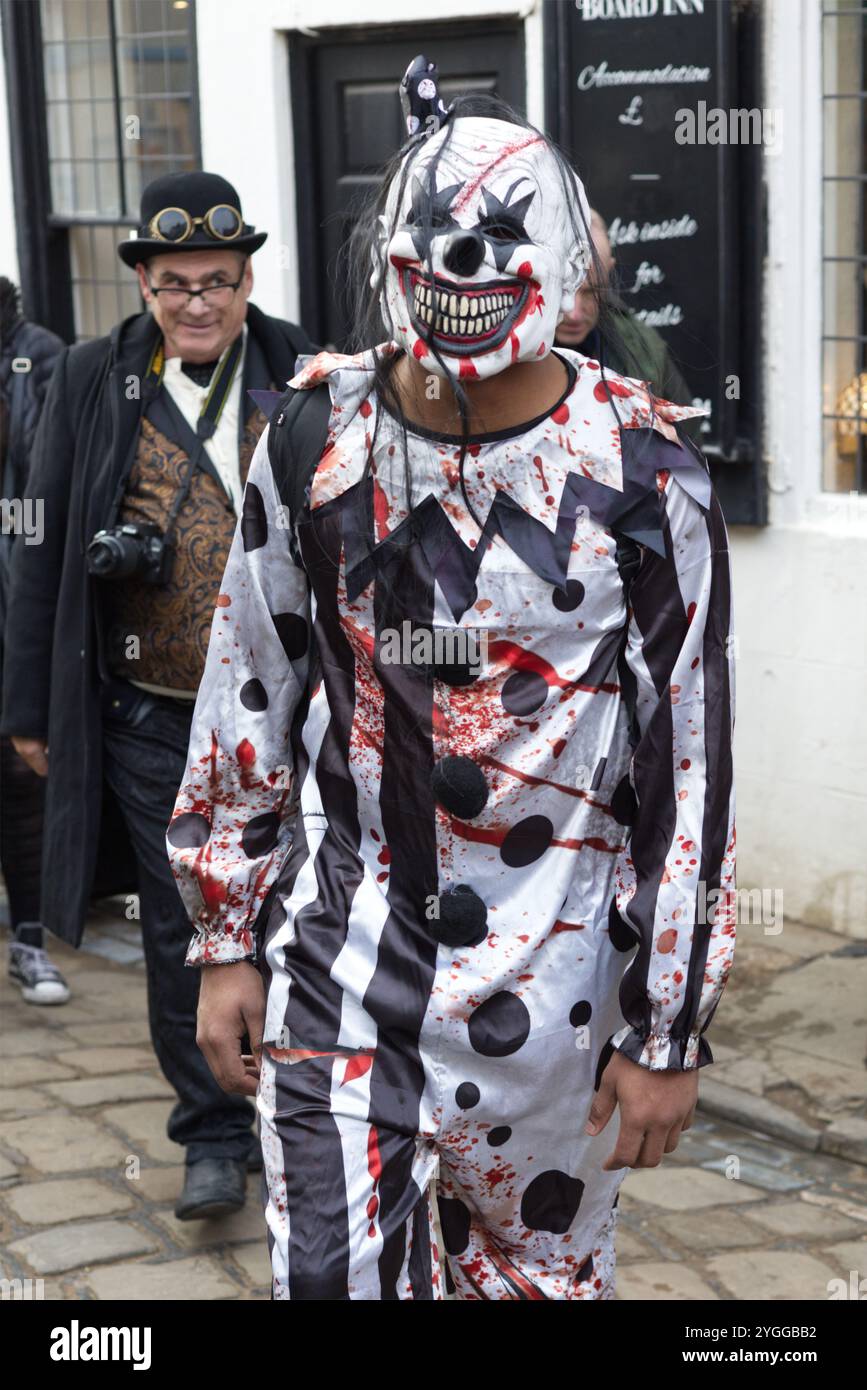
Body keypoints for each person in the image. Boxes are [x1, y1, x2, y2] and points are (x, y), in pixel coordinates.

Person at [168, 74, 736, 1299]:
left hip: (557, 1003)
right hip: (345, 969)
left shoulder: (645, 474)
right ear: (393, 252)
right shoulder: (316, 439)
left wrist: (668, 1024)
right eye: (433, 232)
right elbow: (248, 685)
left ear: (564, 271)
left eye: (499, 236)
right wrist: (225, 937)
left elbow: (687, 768)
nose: (460, 262)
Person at [0, 172, 315, 1220]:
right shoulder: (92, 375)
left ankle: (290, 1115)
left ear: (246, 280)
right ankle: (212, 1135)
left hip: (284, 722)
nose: (196, 302)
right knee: (186, 929)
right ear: (144, 283)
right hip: (148, 714)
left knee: (289, 918)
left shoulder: (299, 368)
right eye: (175, 282)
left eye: (216, 281)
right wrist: (30, 707)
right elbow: (40, 538)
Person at [0, 277, 69, 1004]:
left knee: (21, 775)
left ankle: (29, 940)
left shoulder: (37, 354)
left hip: (15, 589)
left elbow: (46, 477)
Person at [555, 208, 699, 436]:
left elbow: (686, 442)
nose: (574, 313)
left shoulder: (642, 347)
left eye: (593, 291)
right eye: (563, 290)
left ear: (609, 271)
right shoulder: (503, 350)